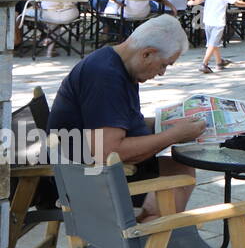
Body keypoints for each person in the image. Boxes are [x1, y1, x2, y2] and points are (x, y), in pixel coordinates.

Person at [46, 16, 202, 220]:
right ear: (147, 53)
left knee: (180, 167)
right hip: (85, 180)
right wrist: (174, 135)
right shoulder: (105, 77)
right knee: (179, 178)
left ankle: (152, 238)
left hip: (90, 168)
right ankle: (147, 243)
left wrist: (166, 123)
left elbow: (118, 122)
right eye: (164, 65)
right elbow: (109, 151)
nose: (162, 73)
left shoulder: (117, 63)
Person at [188, 0, 245, 73]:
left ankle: (219, 62)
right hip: (218, 22)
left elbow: (199, 1)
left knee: (213, 43)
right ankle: (204, 64)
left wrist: (192, 2)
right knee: (212, 44)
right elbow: (236, 3)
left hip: (207, 21)